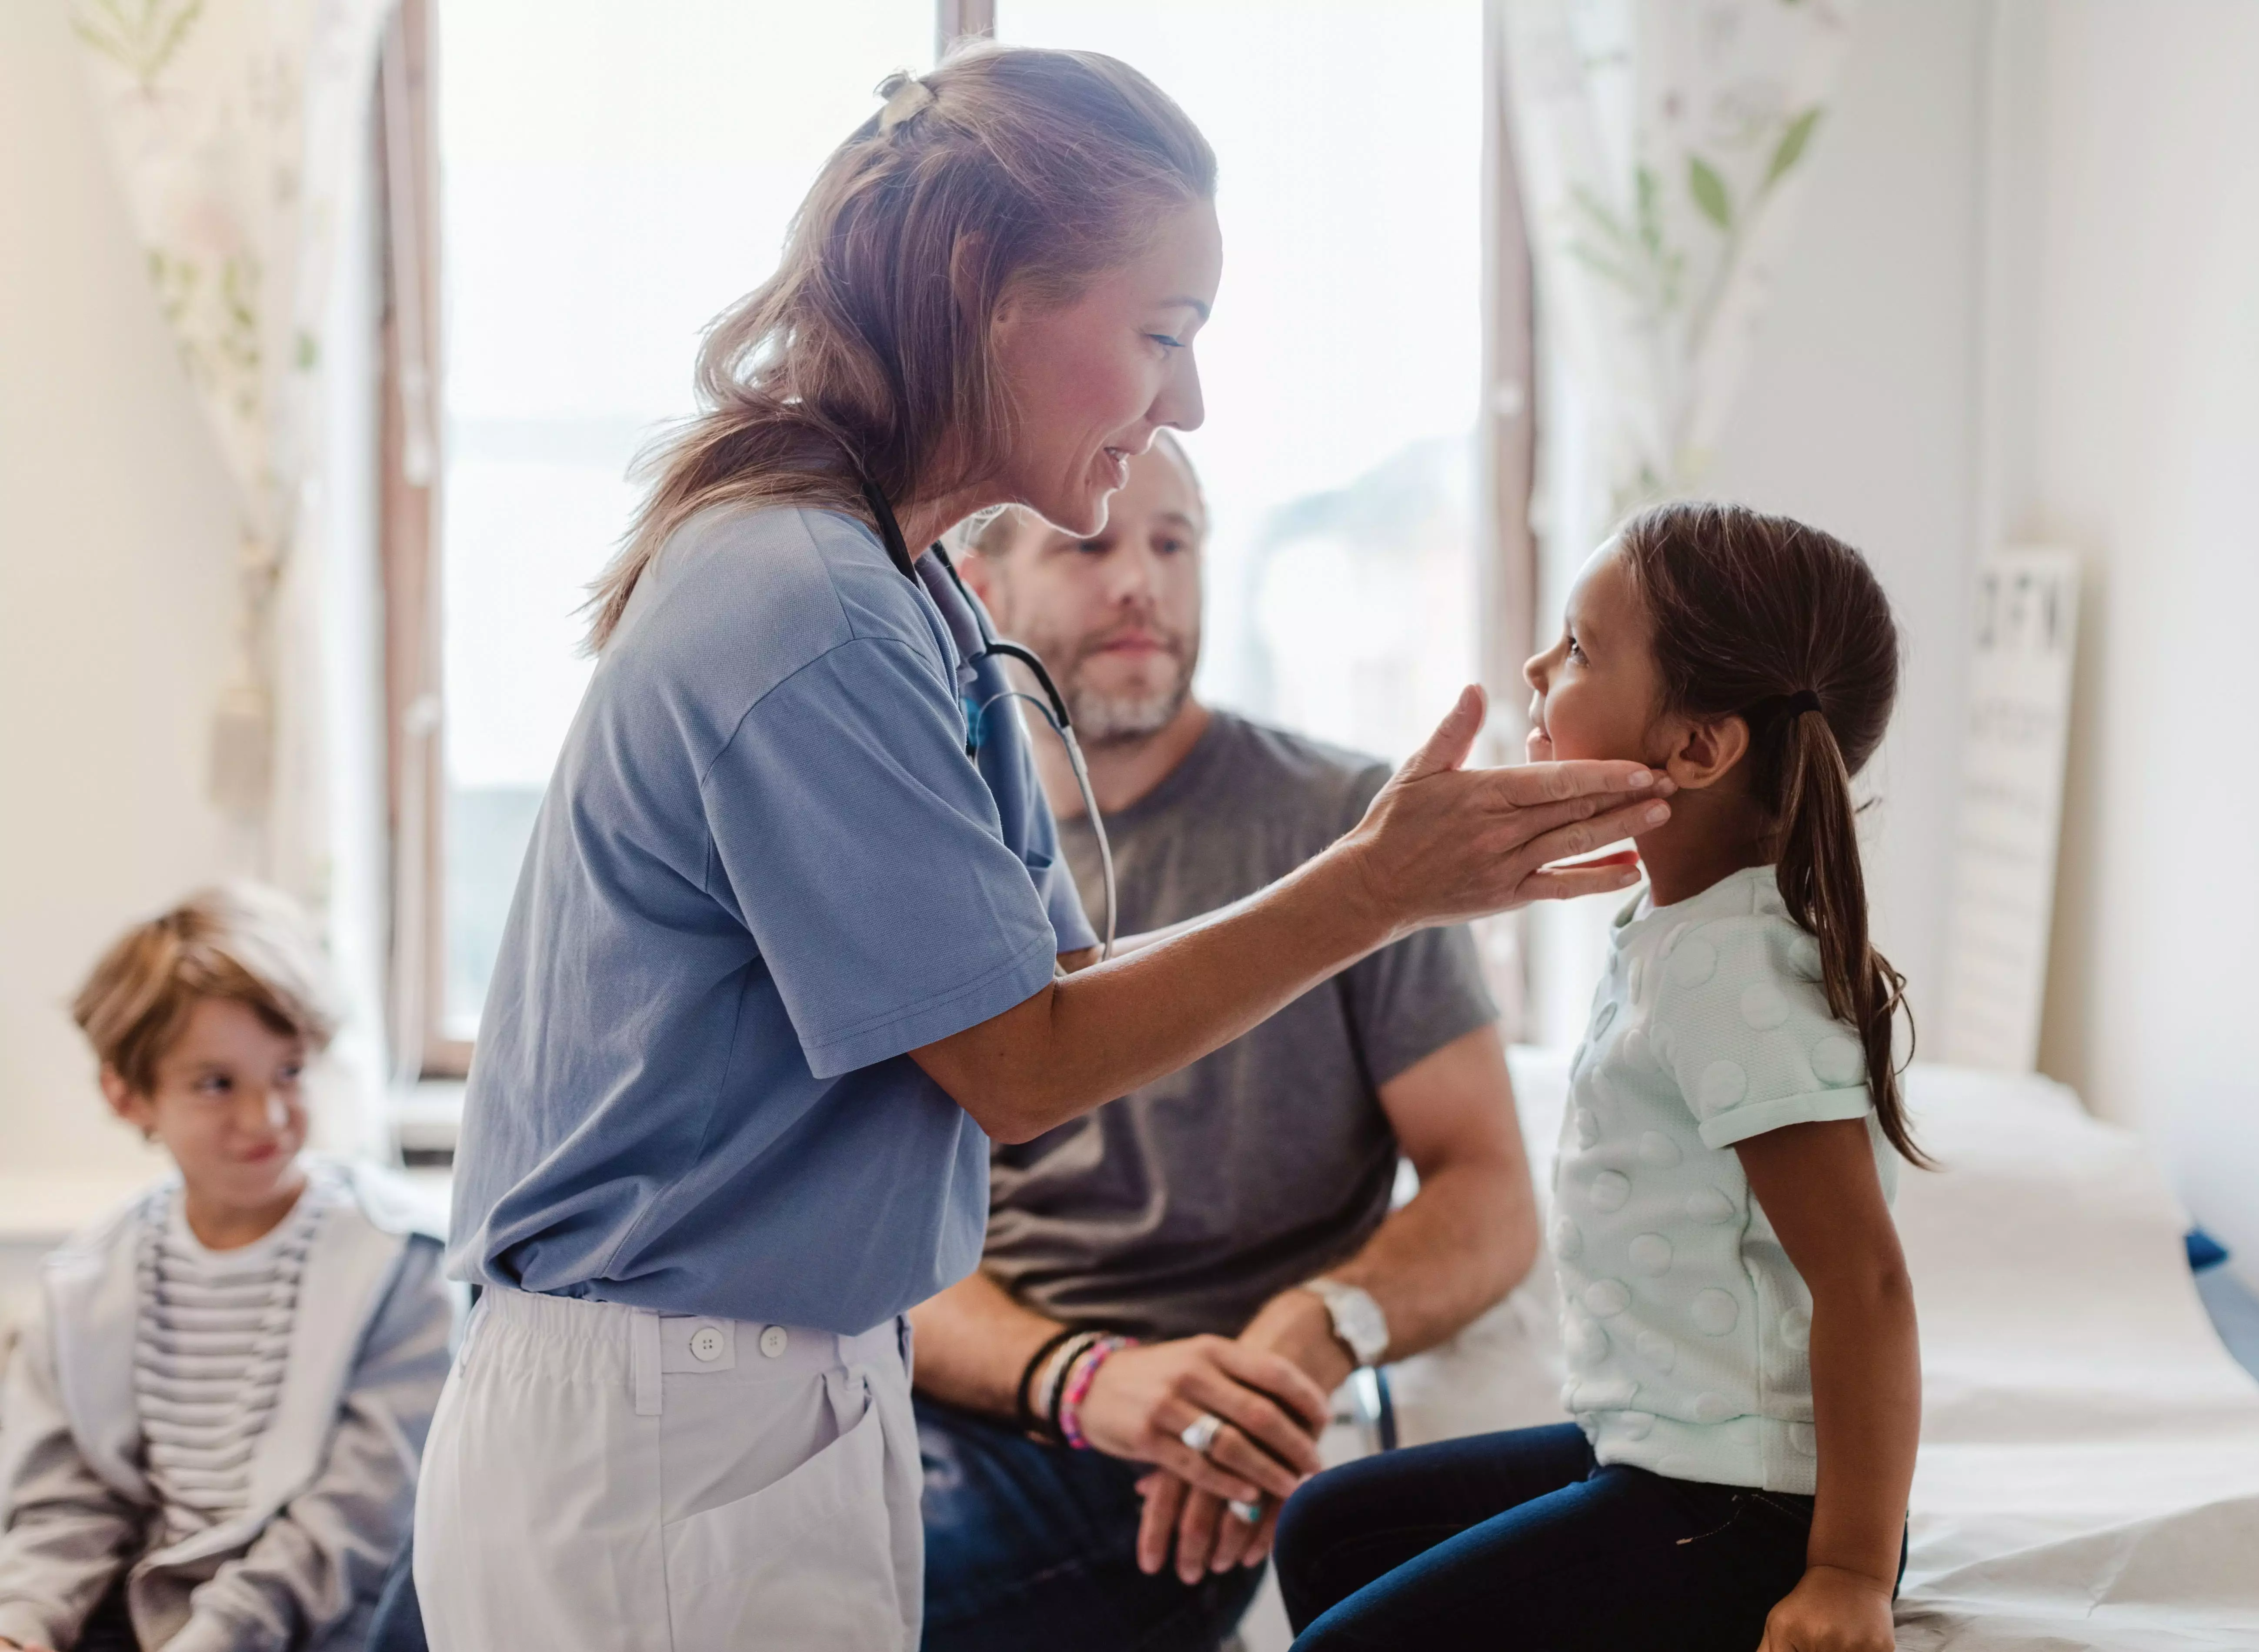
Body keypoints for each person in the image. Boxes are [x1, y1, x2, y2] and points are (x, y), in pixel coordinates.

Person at [411, 43, 1674, 1652]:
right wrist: (1379, 882)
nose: (1188, 404)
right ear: (984, 292)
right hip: (675, 1417)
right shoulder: (804, 610)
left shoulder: (903, 591)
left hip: (780, 1391)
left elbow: (1049, 983)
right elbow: (1022, 1063)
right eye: (1163, 334)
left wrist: (1380, 883)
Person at [908, 438, 1541, 1650]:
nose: (1138, 581)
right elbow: (885, 1243)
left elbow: (1490, 1190)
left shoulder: (1357, 836)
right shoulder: (943, 858)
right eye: (1088, 544)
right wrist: (1072, 1377)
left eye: (1171, 542)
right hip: (954, 1396)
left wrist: (1304, 1337)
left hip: (1162, 1464)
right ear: (978, 591)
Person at [1271, 502, 1925, 1652]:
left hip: (1750, 1506)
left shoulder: (1733, 976)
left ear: (1696, 749)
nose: (1535, 665)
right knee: (1331, 1529)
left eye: (1576, 647)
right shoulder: (1677, 925)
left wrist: (1849, 1570)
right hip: (1662, 1449)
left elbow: (1863, 1282)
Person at [0, 886, 452, 1652]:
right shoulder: (86, 1282)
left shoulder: (400, 1264)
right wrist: (24, 1628)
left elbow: (358, 1518)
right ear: (128, 1095)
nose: (267, 1118)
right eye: (217, 1085)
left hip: (325, 1627)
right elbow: (65, 1507)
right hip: (139, 1621)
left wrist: (219, 1635)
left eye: (288, 1072)